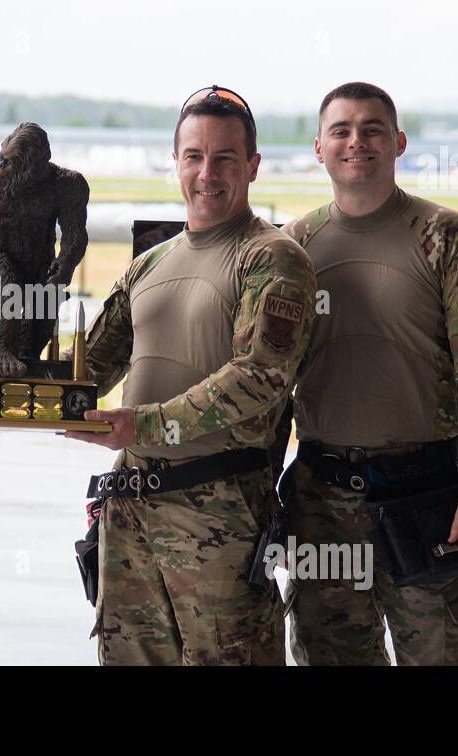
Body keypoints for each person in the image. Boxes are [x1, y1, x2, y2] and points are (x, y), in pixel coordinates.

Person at [64, 86, 317, 665]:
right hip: (129, 508)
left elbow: (258, 378)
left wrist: (142, 426)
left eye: (226, 157)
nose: (208, 172)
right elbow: (89, 371)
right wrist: (3, 385)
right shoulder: (148, 264)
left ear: (253, 165)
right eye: (194, 156)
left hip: (219, 514)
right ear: (176, 161)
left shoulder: (271, 259)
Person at [280, 82, 458, 665]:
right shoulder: (293, 248)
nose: (356, 141)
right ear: (318, 148)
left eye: (372, 129)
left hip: (429, 495)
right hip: (322, 502)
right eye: (341, 130)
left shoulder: (448, 239)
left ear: (398, 141)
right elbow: (266, 380)